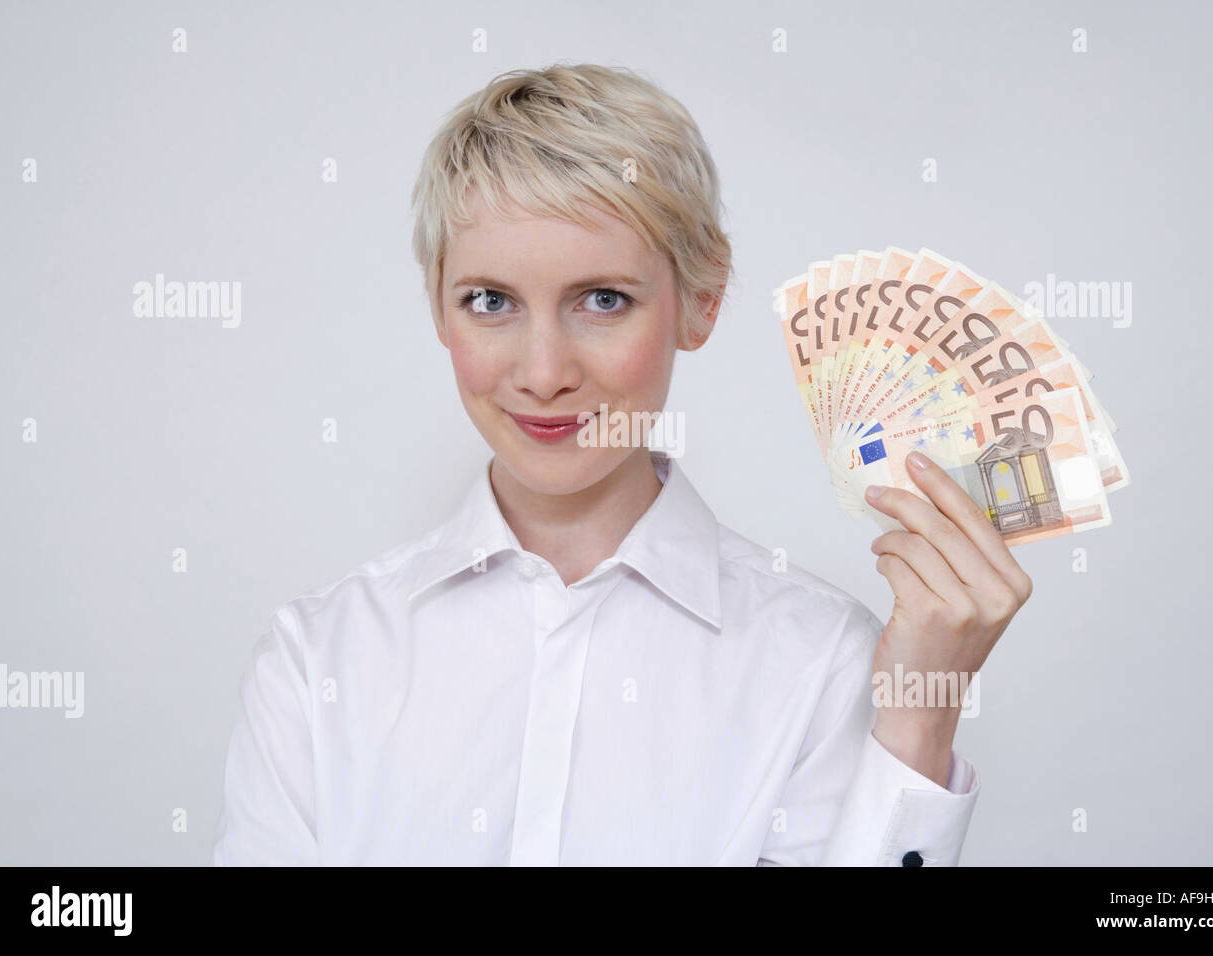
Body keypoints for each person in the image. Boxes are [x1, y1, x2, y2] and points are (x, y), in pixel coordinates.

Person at [210, 62, 1032, 866]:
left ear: (702, 301)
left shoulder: (825, 663)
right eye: (489, 301)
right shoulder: (315, 661)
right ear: (438, 306)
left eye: (603, 299)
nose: (542, 370)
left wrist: (922, 721)